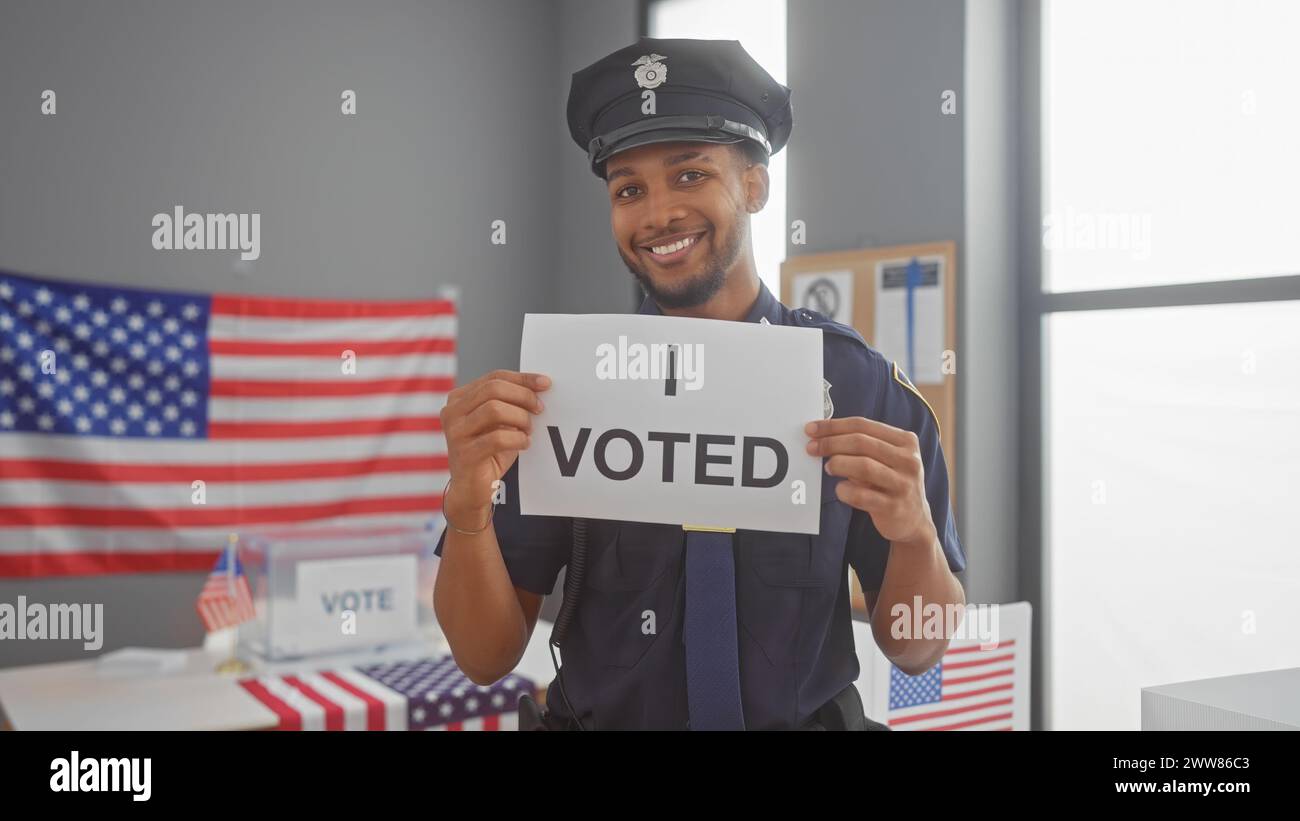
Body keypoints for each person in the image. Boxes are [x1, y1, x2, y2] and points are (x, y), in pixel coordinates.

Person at [433, 37, 966, 730]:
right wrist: (467, 508)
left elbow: (919, 649)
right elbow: (484, 657)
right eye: (629, 189)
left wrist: (916, 538)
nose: (656, 214)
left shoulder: (861, 387)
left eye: (689, 175)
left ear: (755, 184)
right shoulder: (563, 392)